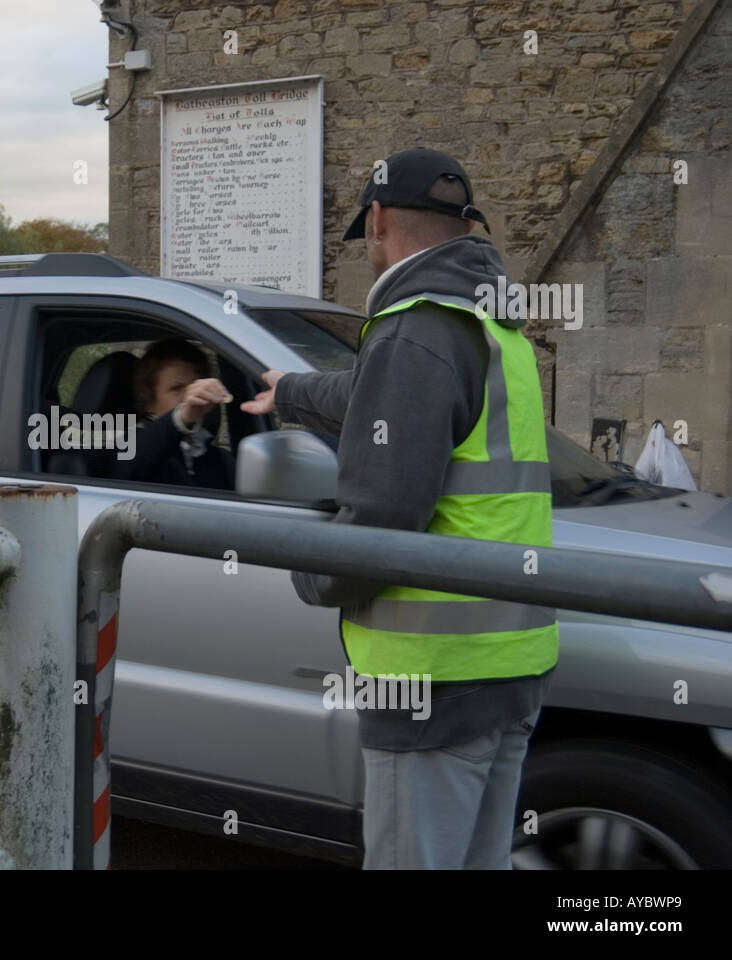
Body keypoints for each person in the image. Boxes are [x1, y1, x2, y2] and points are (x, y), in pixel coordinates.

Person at [241, 147, 558, 869]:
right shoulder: (490, 326)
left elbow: (383, 518)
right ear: (467, 224)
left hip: (433, 676)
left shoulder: (416, 327)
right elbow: (381, 397)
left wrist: (308, 573)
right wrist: (290, 390)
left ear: (377, 219)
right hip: (510, 660)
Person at [114, 339, 234, 489]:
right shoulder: (131, 446)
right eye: (176, 389)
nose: (190, 396)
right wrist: (183, 417)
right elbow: (131, 465)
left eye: (196, 387)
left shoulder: (220, 458)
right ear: (149, 401)